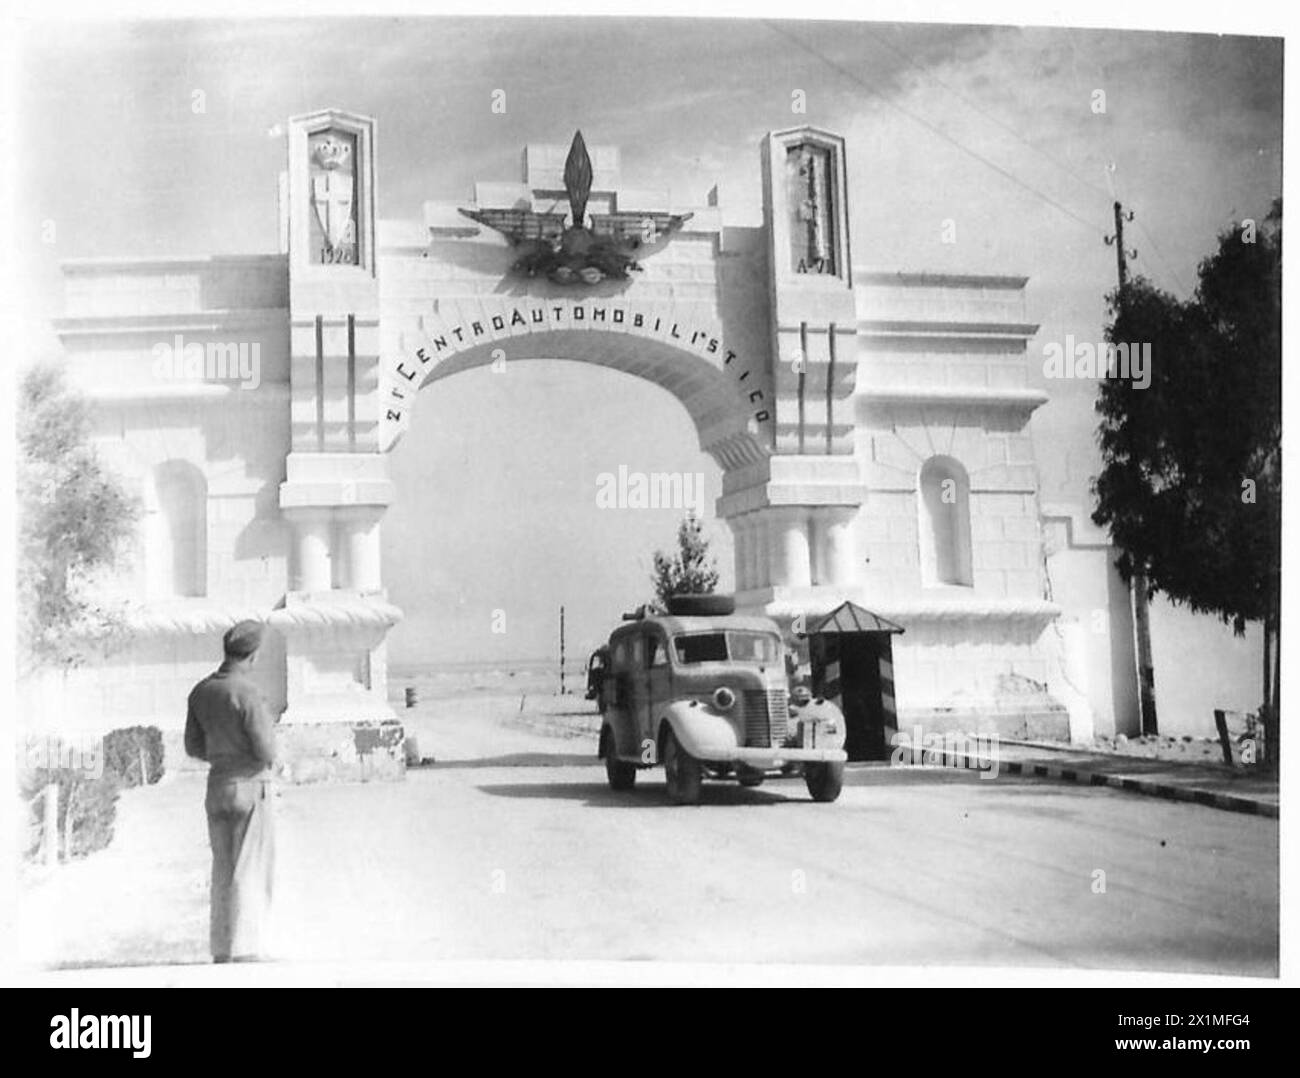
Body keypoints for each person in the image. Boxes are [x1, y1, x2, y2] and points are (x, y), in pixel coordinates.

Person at [184, 619, 278, 963]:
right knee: (250, 869)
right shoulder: (248, 693)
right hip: (251, 786)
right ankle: (246, 949)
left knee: (222, 869)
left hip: (217, 787)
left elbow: (193, 747)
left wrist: (222, 753)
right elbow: (267, 751)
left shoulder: (201, 691)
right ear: (252, 655)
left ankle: (221, 950)